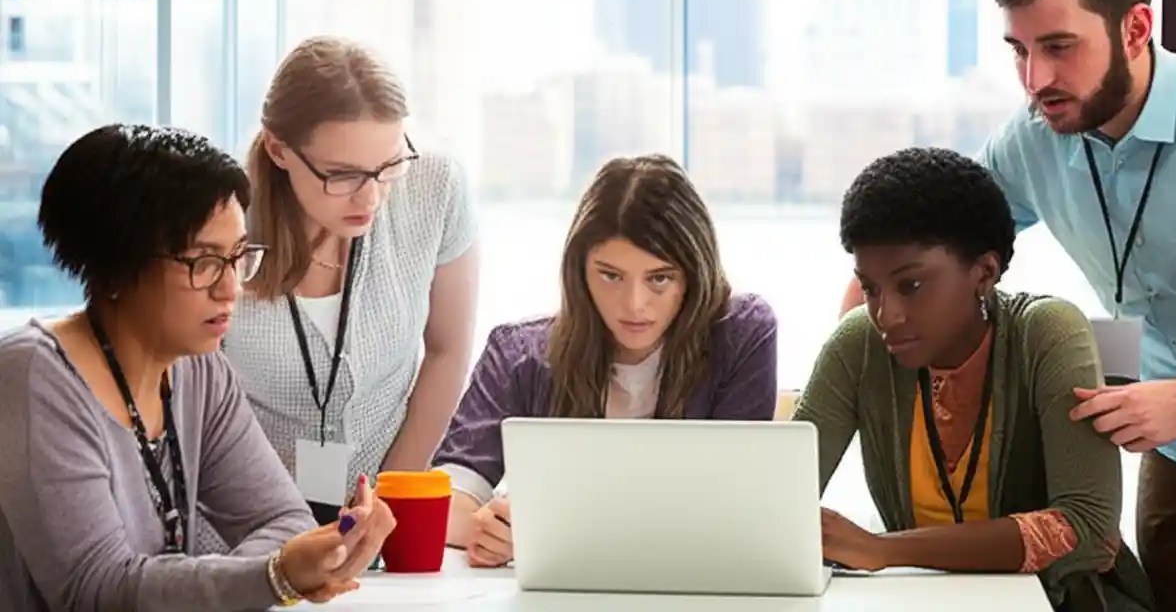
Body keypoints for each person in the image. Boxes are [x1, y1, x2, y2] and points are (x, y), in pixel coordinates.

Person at [839, 0, 1176, 609]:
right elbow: (914, 244)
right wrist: (859, 357)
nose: (1034, 78)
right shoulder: (1032, 137)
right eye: (1018, 50)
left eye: (1058, 47)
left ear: (1135, 28)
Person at [0, 124, 395, 611]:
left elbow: (283, 519)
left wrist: (278, 569)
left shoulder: (198, 370)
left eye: (237, 257)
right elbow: (95, 590)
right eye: (203, 262)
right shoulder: (33, 377)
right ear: (116, 266)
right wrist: (273, 574)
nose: (230, 289)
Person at [801, 148, 1152, 611]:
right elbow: (778, 497)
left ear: (984, 273)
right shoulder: (859, 344)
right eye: (870, 288)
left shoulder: (1047, 332)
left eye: (911, 285)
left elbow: (1087, 529)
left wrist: (883, 549)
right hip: (923, 603)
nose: (886, 314)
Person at [431, 154, 779, 568]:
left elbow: (737, 502)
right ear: (579, 272)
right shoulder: (518, 353)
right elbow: (445, 498)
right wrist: (489, 530)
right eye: (610, 276)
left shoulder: (741, 335)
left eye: (659, 278)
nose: (634, 304)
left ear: (694, 274)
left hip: (693, 581)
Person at [219, 35, 479, 528]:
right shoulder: (224, 225)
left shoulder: (436, 187)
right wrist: (282, 537)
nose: (371, 197)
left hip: (383, 514)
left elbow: (447, 352)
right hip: (245, 521)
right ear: (278, 149)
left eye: (388, 165)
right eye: (342, 175)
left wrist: (388, 503)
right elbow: (197, 409)